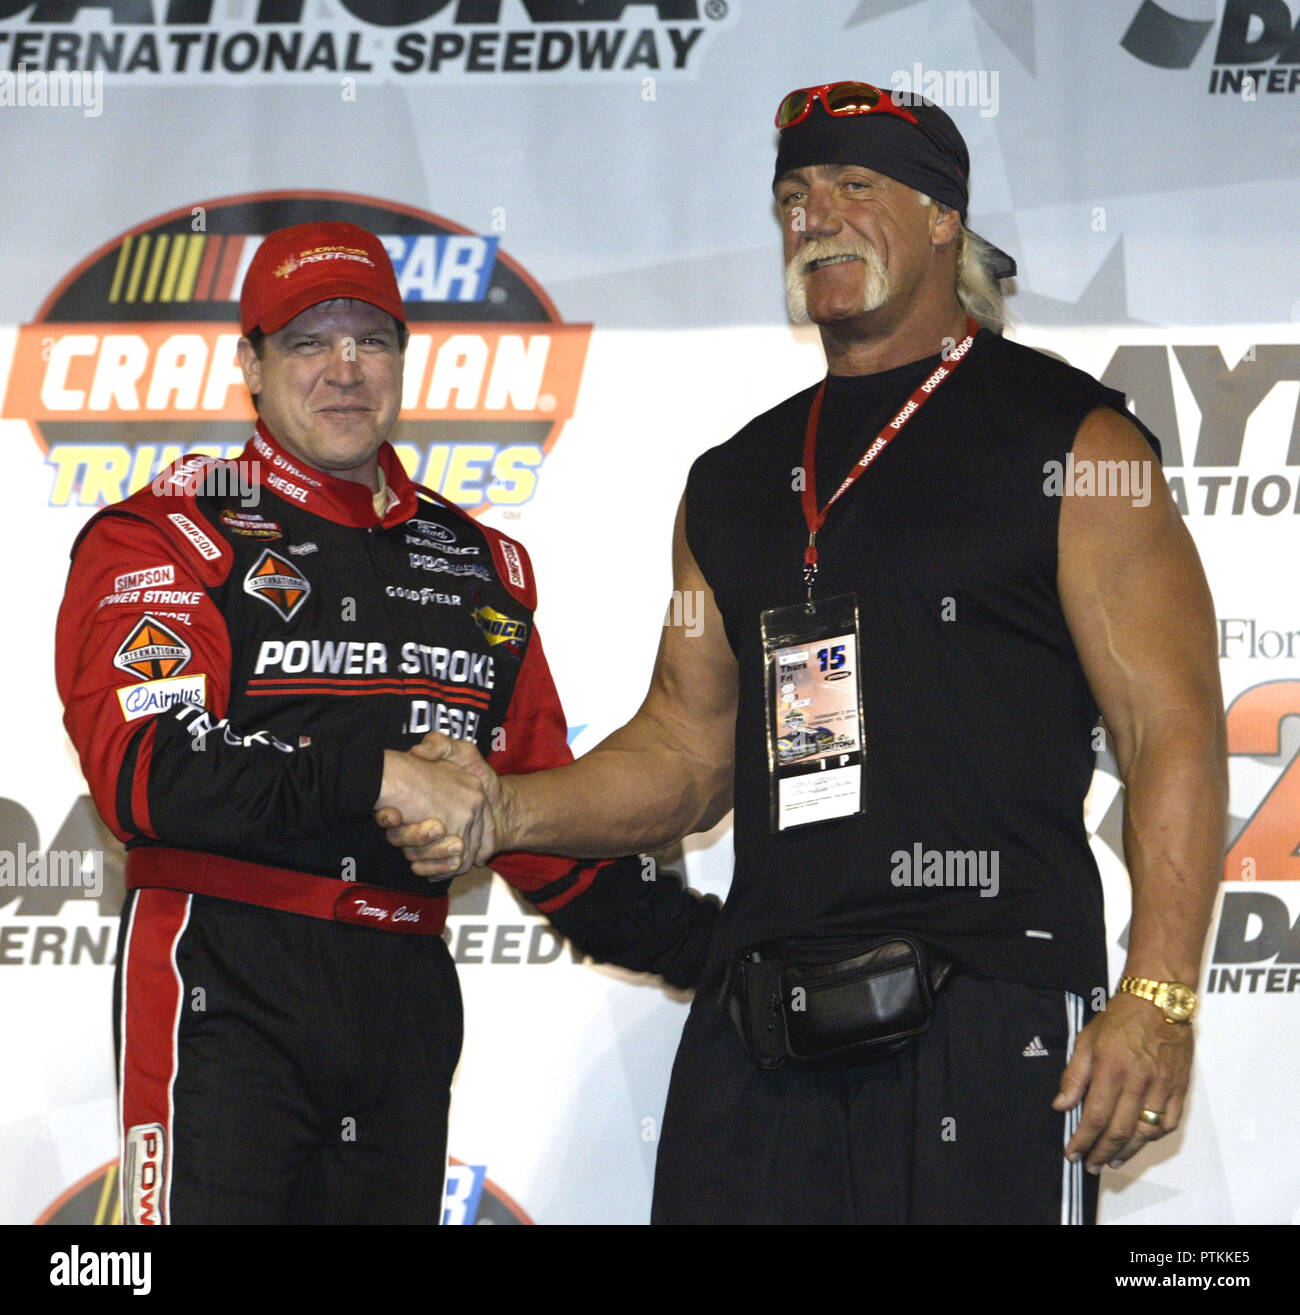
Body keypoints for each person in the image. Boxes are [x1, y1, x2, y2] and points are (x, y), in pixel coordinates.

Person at [383, 83, 1227, 1224]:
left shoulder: (1075, 441)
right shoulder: (734, 481)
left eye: (852, 185)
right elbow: (685, 751)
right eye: (793, 195)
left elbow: (1169, 728)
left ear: (943, 217)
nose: (814, 216)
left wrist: (1160, 995)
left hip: (988, 1012)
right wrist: (505, 807)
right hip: (761, 1029)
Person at [55, 220, 716, 1225]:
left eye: (370, 340)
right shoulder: (169, 531)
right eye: (308, 343)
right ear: (250, 366)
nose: (345, 369)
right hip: (224, 975)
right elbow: (148, 772)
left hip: (404, 994)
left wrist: (739, 949)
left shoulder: (479, 564)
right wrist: (379, 775)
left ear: (403, 359)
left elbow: (539, 829)